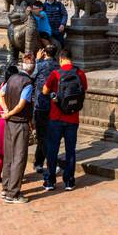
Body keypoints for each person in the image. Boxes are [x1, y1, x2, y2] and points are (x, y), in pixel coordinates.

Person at [42, 47, 87, 191]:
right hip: (73, 118)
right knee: (70, 151)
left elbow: (44, 90)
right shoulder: (80, 73)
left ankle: (50, 181)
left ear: (60, 59)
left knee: (52, 150)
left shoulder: (55, 74)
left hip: (55, 117)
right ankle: (69, 181)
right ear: (71, 58)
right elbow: (83, 90)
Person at [0, 53, 36, 204]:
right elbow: (21, 104)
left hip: (9, 123)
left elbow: (0, 95)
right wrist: (11, 112)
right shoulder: (27, 83)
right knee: (19, 157)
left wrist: (6, 110)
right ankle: (13, 193)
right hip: (19, 122)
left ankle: (5, 187)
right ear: (32, 69)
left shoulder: (12, 78)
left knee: (9, 155)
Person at [31, 45, 57, 177]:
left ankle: (50, 162)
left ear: (44, 53)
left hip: (40, 104)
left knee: (42, 136)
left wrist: (37, 60)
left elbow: (32, 77)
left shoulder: (40, 65)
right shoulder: (58, 66)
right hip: (53, 105)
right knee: (46, 135)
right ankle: (38, 162)